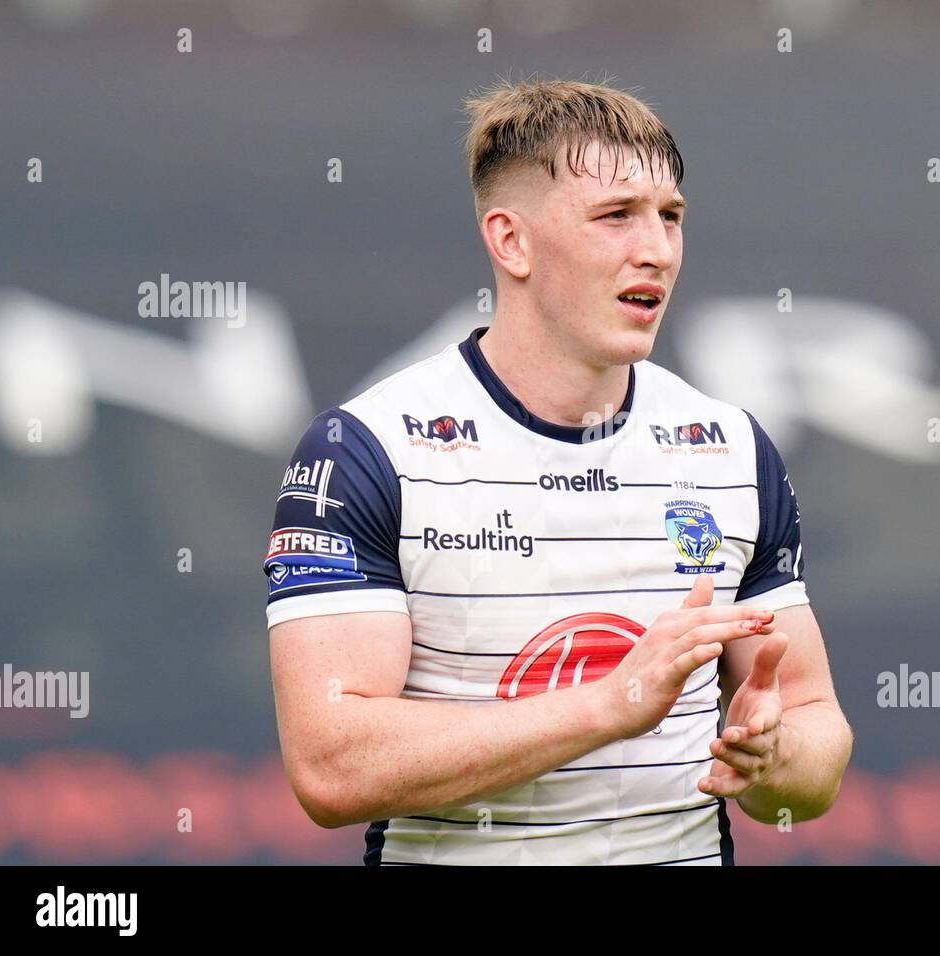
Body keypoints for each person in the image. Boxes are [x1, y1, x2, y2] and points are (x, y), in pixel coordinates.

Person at [263, 77, 853, 865]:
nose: (657, 249)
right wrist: (610, 704)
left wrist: (776, 759)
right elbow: (331, 767)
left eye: (670, 216)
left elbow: (813, 743)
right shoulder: (368, 448)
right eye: (616, 217)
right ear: (511, 242)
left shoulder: (730, 448)